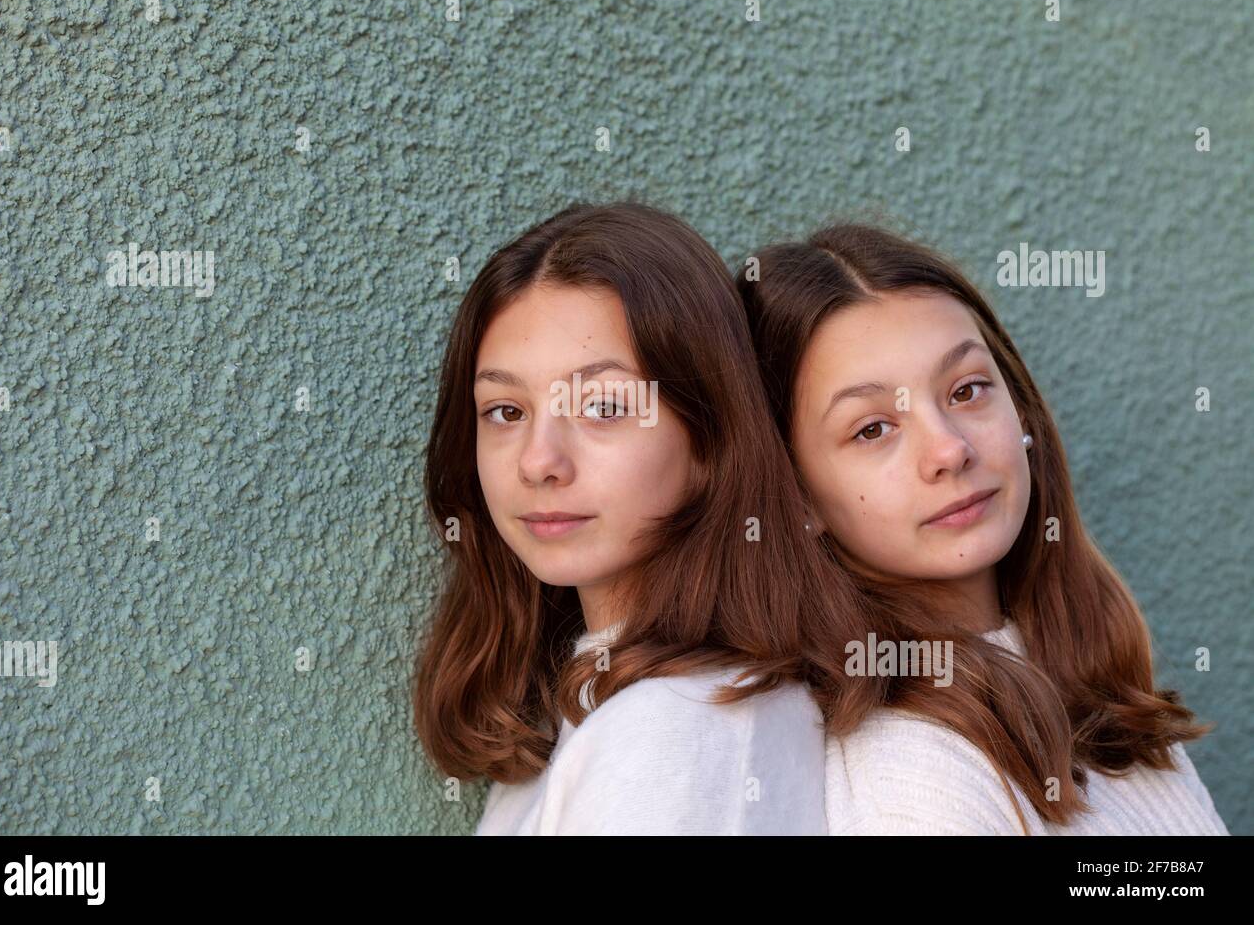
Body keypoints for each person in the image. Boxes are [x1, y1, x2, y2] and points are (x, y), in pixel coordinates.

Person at [735, 220, 1229, 834]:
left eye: (967, 390)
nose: (949, 449)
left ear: (1020, 407)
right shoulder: (911, 781)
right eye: (872, 428)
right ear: (798, 495)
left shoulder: (1083, 678)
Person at [411, 201, 885, 834]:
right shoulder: (620, 699)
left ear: (712, 436)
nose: (538, 461)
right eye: (505, 411)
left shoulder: (678, 729)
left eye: (603, 406)